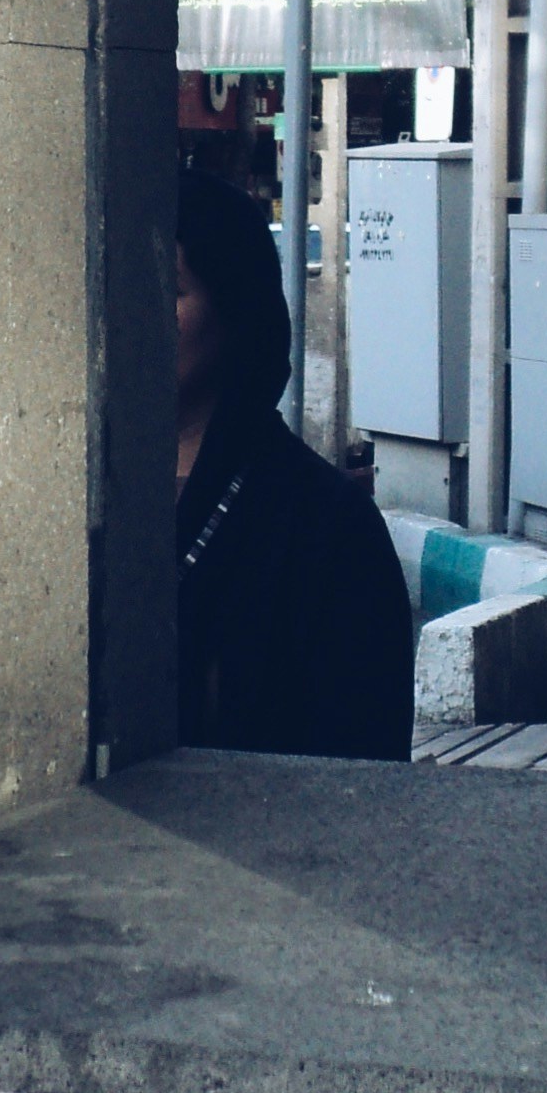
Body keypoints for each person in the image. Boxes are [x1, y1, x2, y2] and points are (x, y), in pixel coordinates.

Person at [171, 170, 414, 759]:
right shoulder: (73, 500)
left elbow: (362, 766)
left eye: (167, 290)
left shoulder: (328, 527)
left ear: (233, 309)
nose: (125, 312)